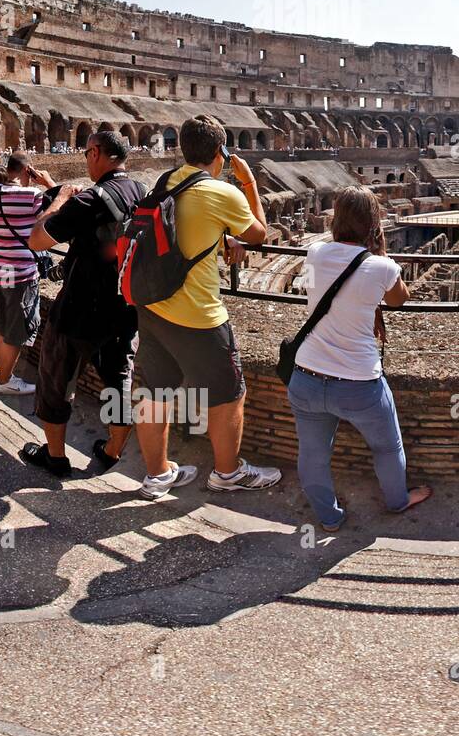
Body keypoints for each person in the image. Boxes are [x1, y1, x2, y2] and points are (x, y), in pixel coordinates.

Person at [120, 116, 280, 499]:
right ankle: (227, 473)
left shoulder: (165, 181)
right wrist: (250, 183)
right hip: (199, 316)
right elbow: (258, 233)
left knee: (154, 392)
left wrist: (218, 234)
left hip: (153, 307)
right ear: (220, 153)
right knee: (229, 394)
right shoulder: (221, 192)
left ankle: (157, 475)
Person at [286, 188, 430, 530]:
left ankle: (328, 517)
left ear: (336, 221)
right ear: (374, 223)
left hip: (305, 376)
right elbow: (399, 300)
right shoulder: (382, 266)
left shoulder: (315, 252)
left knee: (313, 454)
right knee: (386, 446)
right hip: (359, 385)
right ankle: (397, 501)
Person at [19, 130, 139, 479]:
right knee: (119, 379)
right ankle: (113, 449)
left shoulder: (89, 200)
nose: (86, 158)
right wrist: (55, 187)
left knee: (56, 381)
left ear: (97, 153)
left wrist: (57, 202)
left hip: (79, 310)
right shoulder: (138, 190)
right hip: (124, 308)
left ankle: (55, 457)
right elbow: (100, 220)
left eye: (87, 152)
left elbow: (37, 239)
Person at [0, 156, 49, 395]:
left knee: (6, 323)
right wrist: (51, 187)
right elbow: (49, 221)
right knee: (18, 329)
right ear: (28, 170)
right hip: (20, 272)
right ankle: (5, 381)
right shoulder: (33, 195)